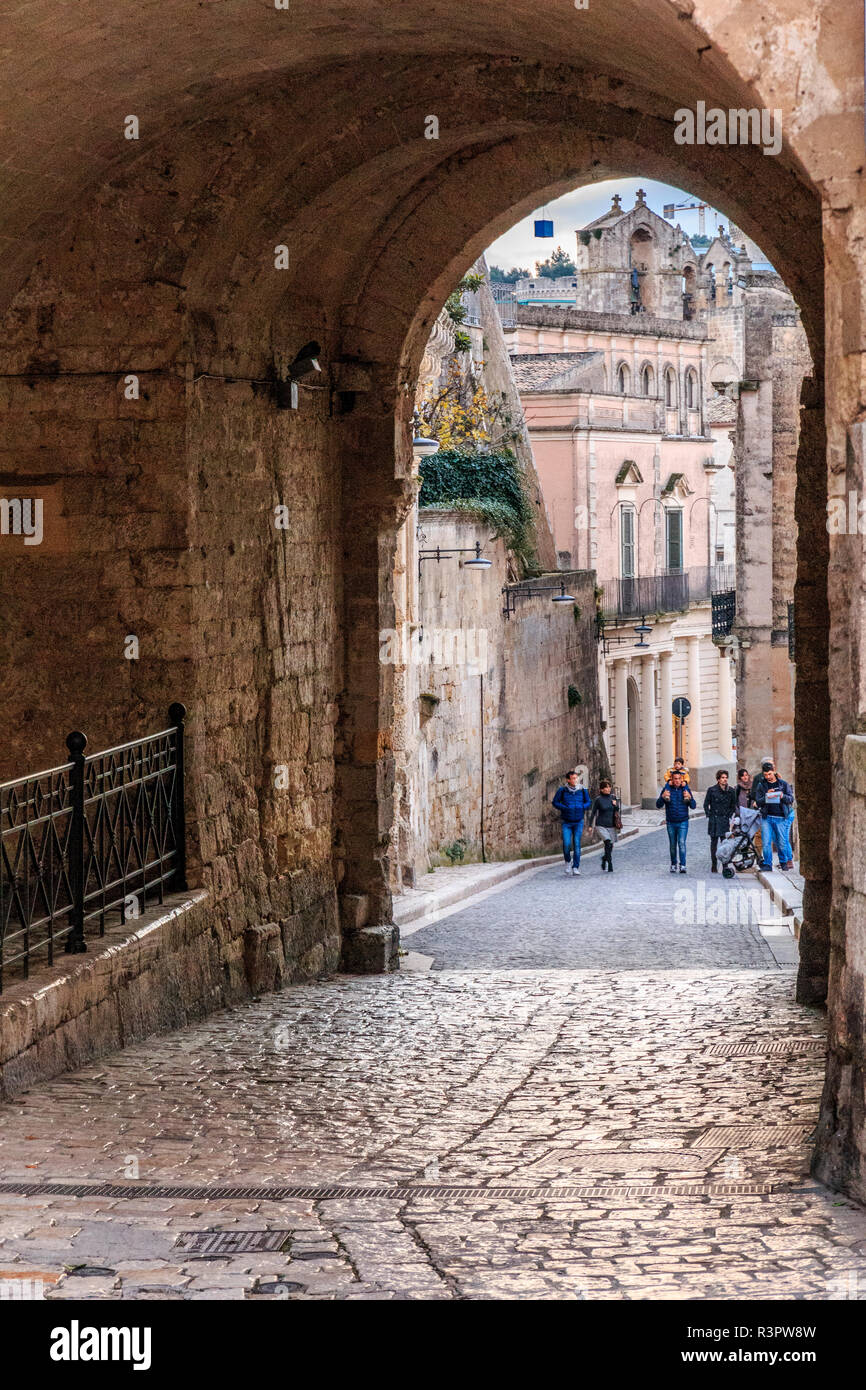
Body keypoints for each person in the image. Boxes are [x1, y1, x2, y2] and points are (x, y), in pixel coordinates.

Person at [753, 761, 795, 870]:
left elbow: (791, 799)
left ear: (774, 771)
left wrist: (782, 796)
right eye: (765, 775)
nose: (768, 777)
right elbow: (758, 802)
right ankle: (768, 864)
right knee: (766, 842)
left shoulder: (783, 784)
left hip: (781, 817)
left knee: (781, 842)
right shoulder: (761, 785)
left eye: (769, 774)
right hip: (767, 817)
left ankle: (784, 862)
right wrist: (767, 796)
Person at [552, 769, 591, 876]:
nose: (576, 780)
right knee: (567, 844)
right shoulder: (562, 790)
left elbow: (588, 802)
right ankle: (568, 862)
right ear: (568, 780)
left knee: (577, 844)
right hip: (567, 822)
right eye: (573, 778)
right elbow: (555, 802)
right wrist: (564, 808)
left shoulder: (582, 790)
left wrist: (582, 807)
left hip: (579, 821)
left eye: (576, 778)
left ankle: (575, 867)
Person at [657, 768, 697, 873]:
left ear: (682, 779)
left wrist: (690, 798)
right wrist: (662, 797)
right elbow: (658, 805)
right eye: (675, 778)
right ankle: (673, 864)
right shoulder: (667, 789)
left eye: (679, 778)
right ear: (672, 779)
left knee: (682, 843)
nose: (677, 780)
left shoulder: (686, 790)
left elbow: (693, 806)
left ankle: (683, 865)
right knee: (672, 845)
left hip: (683, 821)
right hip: (671, 822)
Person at [703, 769, 738, 872]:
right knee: (713, 843)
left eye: (726, 778)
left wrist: (728, 815)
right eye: (722, 778)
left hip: (724, 820)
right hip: (714, 819)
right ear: (718, 779)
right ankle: (714, 865)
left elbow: (733, 805)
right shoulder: (712, 790)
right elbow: (706, 804)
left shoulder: (731, 791)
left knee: (725, 843)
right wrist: (709, 814)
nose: (725, 779)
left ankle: (725, 865)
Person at [588, 778, 620, 872]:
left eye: (609, 787)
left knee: (610, 846)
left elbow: (617, 810)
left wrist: (615, 805)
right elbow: (593, 813)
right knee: (607, 841)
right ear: (601, 789)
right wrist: (590, 825)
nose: (608, 788)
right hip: (601, 825)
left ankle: (604, 858)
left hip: (611, 825)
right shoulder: (598, 800)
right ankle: (610, 864)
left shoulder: (613, 797)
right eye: (606, 787)